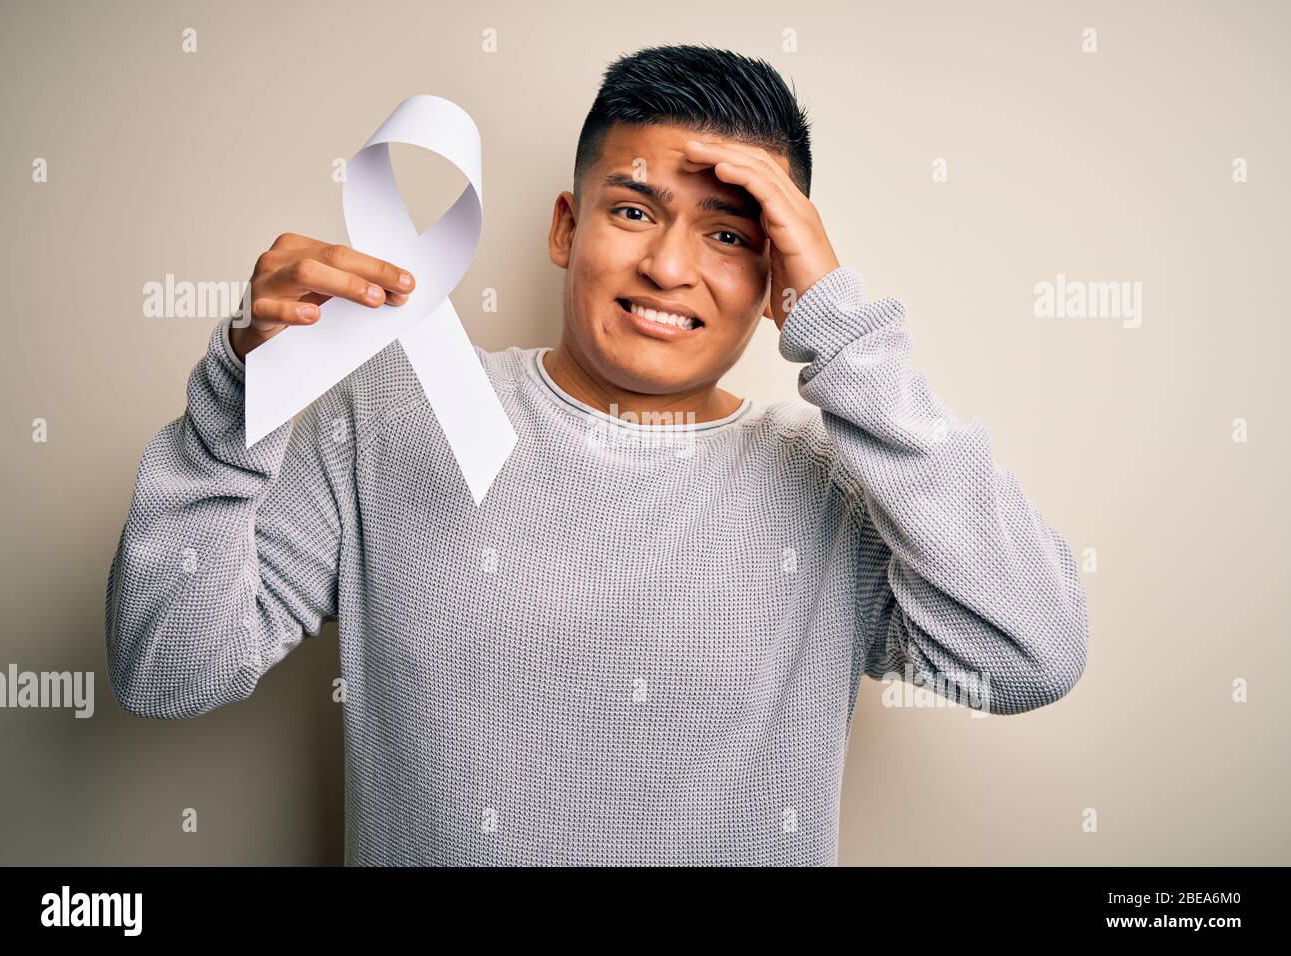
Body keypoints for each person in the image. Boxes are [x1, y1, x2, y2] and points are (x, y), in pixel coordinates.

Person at [105, 44, 1088, 866]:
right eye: (632, 210)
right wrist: (243, 394)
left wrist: (842, 332)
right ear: (565, 228)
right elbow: (168, 670)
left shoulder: (833, 482)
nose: (667, 264)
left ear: (778, 275)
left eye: (729, 234)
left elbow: (1027, 655)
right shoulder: (393, 412)